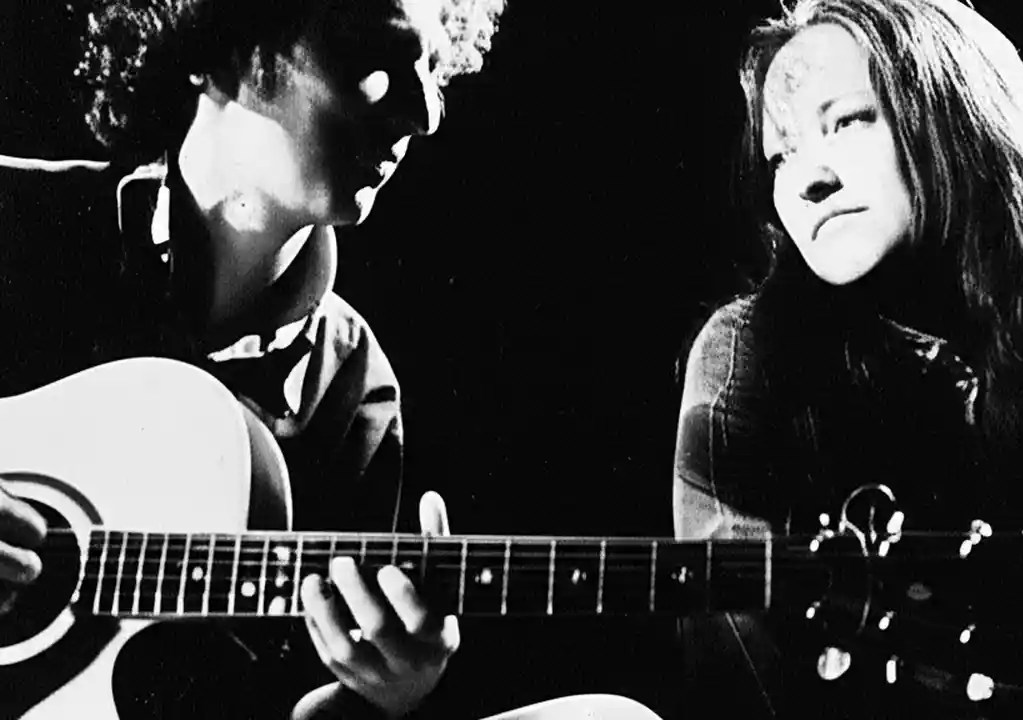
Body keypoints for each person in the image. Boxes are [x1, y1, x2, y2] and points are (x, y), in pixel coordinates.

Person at [0, 1, 660, 719]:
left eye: (435, 69)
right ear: (222, 48)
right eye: (378, 53)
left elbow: (270, 707)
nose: (425, 115)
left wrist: (378, 693)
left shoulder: (352, 387)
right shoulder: (20, 218)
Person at [672, 1, 1023, 718]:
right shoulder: (743, 355)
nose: (805, 181)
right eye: (781, 154)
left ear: (954, 112)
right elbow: (734, 675)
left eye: (848, 120)